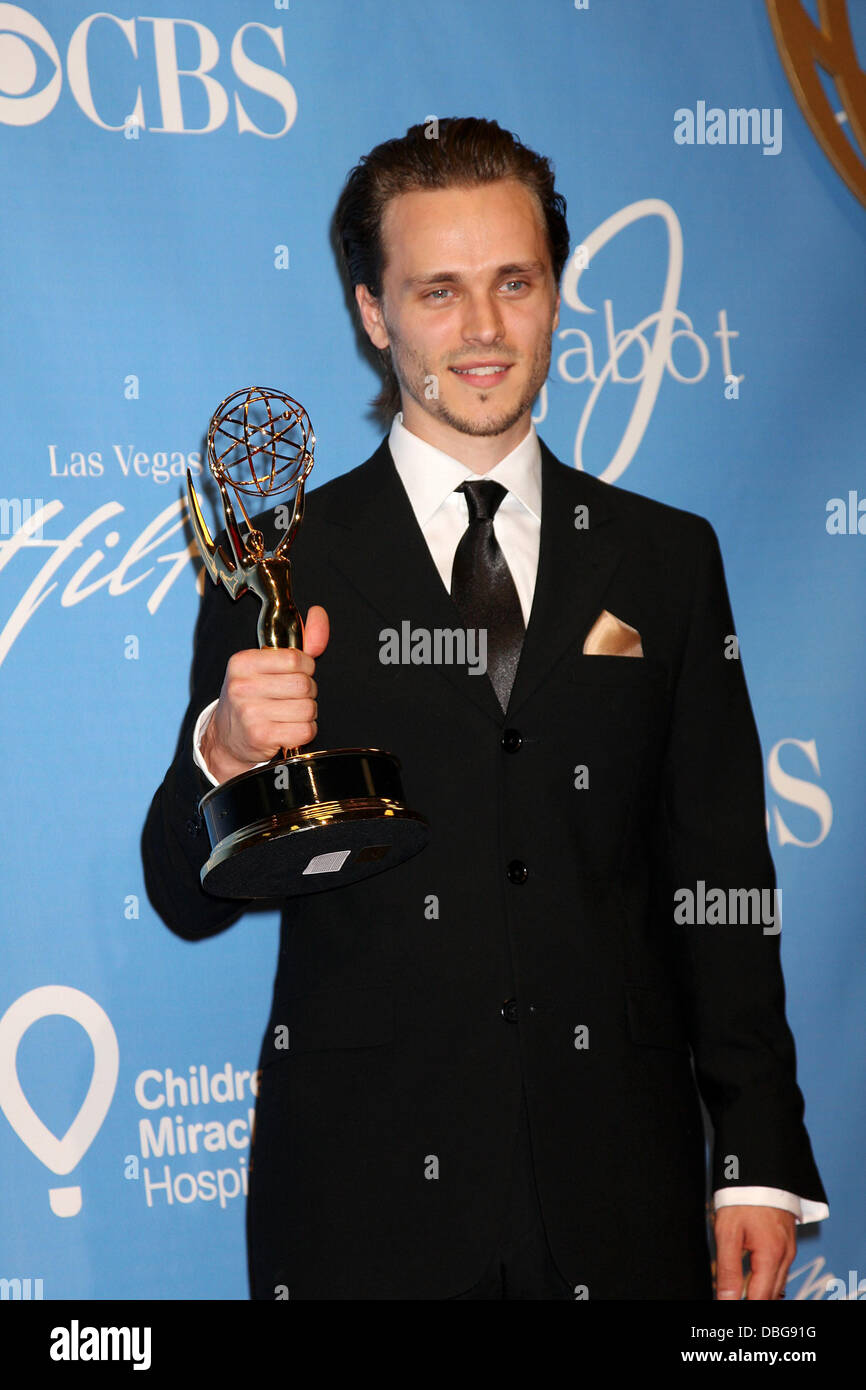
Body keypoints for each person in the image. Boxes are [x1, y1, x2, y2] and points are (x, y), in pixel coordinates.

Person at [142, 117, 827, 1300]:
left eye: (513, 282)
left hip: (620, 1194)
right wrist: (224, 749)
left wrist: (755, 1161)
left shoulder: (664, 560)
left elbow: (719, 876)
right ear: (373, 313)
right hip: (360, 1203)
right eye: (436, 291)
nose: (481, 331)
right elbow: (182, 894)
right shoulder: (282, 558)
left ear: (555, 292)